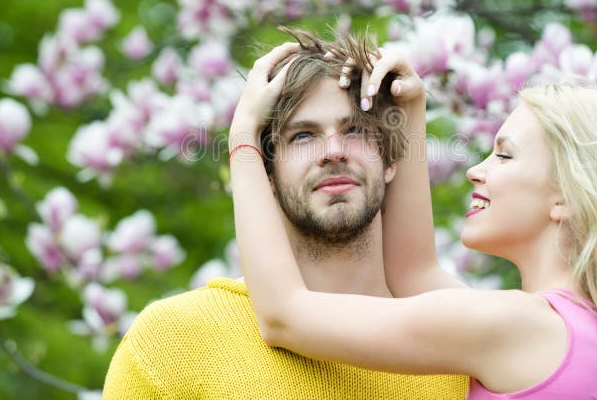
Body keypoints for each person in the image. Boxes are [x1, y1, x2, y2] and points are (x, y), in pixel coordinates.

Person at [229, 32, 597, 400]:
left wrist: (244, 138)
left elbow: (284, 316)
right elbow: (411, 271)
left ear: (567, 196)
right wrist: (408, 109)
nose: (476, 171)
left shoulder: (514, 326)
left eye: (503, 156)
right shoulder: (591, 333)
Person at [102, 31, 469, 399]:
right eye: (303, 136)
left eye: (355, 130)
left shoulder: (459, 350)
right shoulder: (169, 344)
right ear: (266, 174)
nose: (334, 151)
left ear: (391, 159)